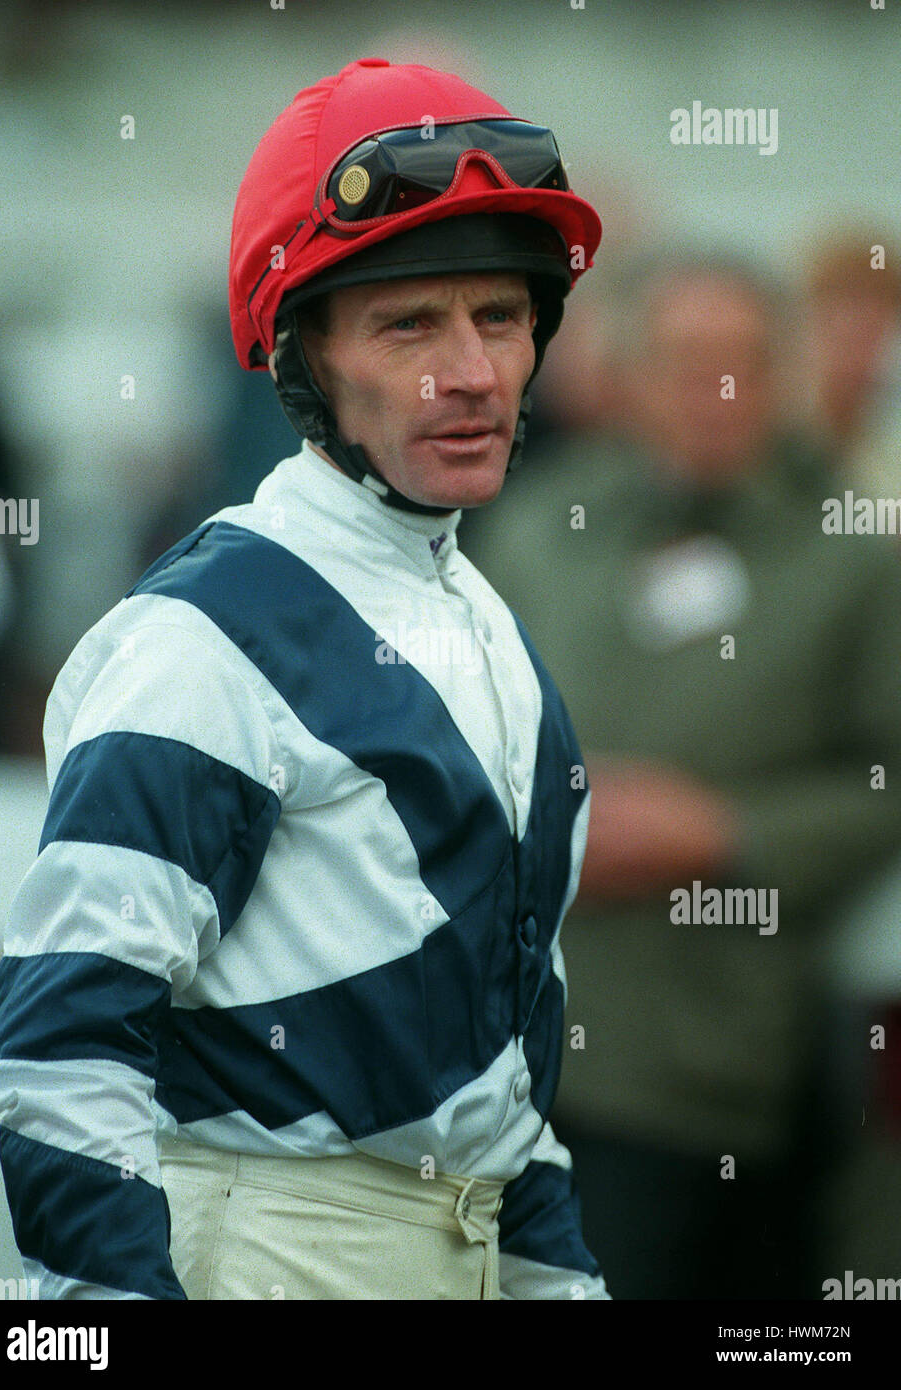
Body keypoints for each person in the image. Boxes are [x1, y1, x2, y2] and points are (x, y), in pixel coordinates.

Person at [0, 57, 610, 1301]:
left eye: (499, 314)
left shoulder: (491, 631)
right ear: (300, 358)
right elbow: (56, 1055)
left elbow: (504, 1093)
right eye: (408, 323)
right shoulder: (198, 640)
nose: (471, 372)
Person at [463, 250, 901, 1298]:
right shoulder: (536, 531)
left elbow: (886, 782)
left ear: (786, 375)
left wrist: (729, 835)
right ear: (622, 375)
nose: (714, 394)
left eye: (742, 363)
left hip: (712, 1055)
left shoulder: (852, 557)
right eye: (682, 362)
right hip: (497, 1050)